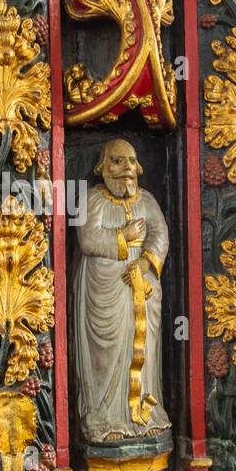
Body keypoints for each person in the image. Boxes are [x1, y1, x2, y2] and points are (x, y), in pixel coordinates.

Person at [72, 138, 171, 444]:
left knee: (144, 348)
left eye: (131, 161)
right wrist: (123, 236)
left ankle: (145, 412)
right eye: (116, 161)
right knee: (107, 352)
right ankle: (103, 416)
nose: (126, 168)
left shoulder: (147, 201)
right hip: (103, 291)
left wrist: (145, 262)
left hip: (142, 288)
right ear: (102, 167)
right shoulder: (91, 199)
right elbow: (87, 239)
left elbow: (160, 234)